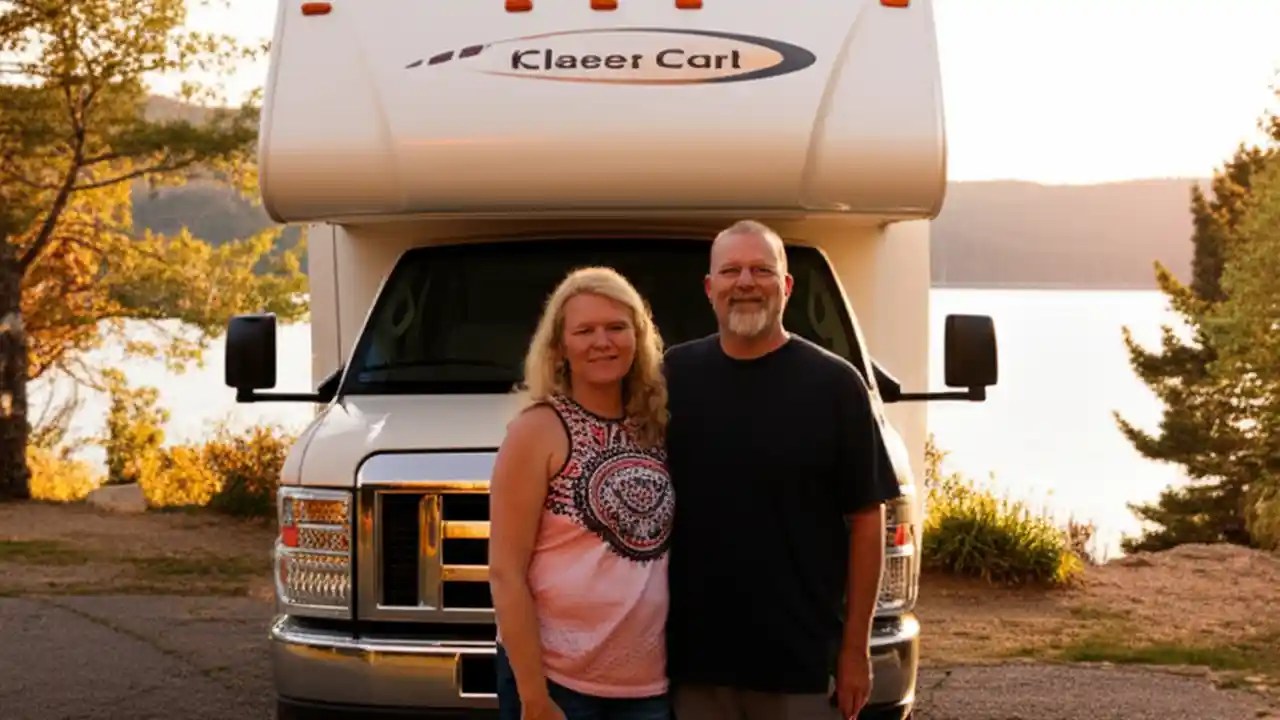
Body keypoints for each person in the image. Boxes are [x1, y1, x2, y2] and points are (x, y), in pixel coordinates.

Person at [662, 220, 903, 720]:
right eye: (730, 270)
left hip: (802, 663)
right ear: (710, 289)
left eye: (761, 270)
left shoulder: (837, 386)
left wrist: (854, 648)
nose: (745, 282)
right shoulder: (671, 378)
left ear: (786, 286)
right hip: (693, 662)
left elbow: (866, 520)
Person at [488, 266, 676, 720]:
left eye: (617, 327)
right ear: (559, 346)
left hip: (648, 687)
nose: (602, 342)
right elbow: (505, 572)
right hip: (556, 683)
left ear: (638, 336)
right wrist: (533, 696)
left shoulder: (654, 427)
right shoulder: (537, 430)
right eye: (585, 330)